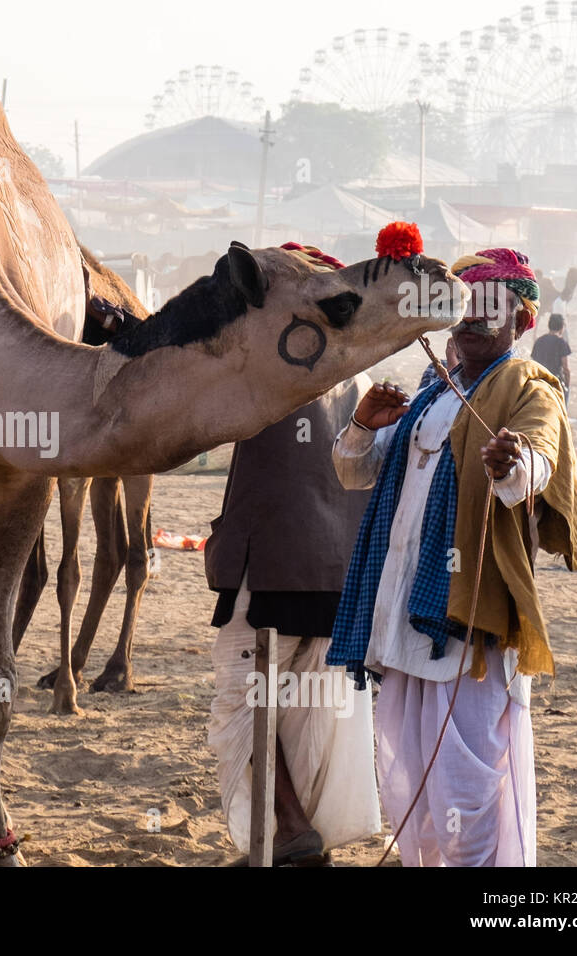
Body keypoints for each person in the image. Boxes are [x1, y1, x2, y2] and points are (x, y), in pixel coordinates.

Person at [329, 247, 577, 867]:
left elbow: (535, 467)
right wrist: (363, 425)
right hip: (401, 615)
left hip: (470, 623)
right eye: (463, 307)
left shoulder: (531, 388)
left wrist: (510, 463)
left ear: (521, 323)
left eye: (488, 309)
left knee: (465, 792)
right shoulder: (427, 396)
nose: (470, 319)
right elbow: (353, 472)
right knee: (409, 789)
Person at [205, 354, 381, 866]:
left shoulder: (265, 376)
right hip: (340, 574)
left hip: (270, 570)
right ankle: (293, 835)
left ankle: (293, 828)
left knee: (244, 704)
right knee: (308, 711)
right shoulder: (362, 383)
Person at [531, 313, 572, 404]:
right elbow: (566, 368)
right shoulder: (561, 342)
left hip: (539, 381)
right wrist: (567, 385)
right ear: (562, 327)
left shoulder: (539, 341)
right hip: (555, 382)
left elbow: (533, 363)